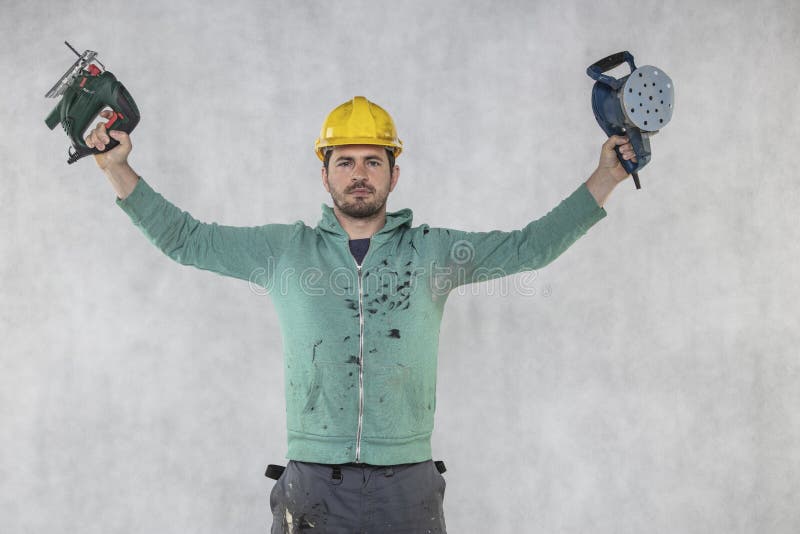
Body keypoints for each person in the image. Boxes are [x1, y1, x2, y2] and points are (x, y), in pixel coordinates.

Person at [86, 96, 636, 533]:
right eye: (344, 161)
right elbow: (187, 239)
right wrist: (116, 167)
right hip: (312, 485)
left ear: (394, 175)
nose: (359, 173)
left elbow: (528, 247)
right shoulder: (284, 251)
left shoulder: (434, 252)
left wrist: (607, 176)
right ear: (324, 174)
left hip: (408, 486)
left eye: (373, 161)